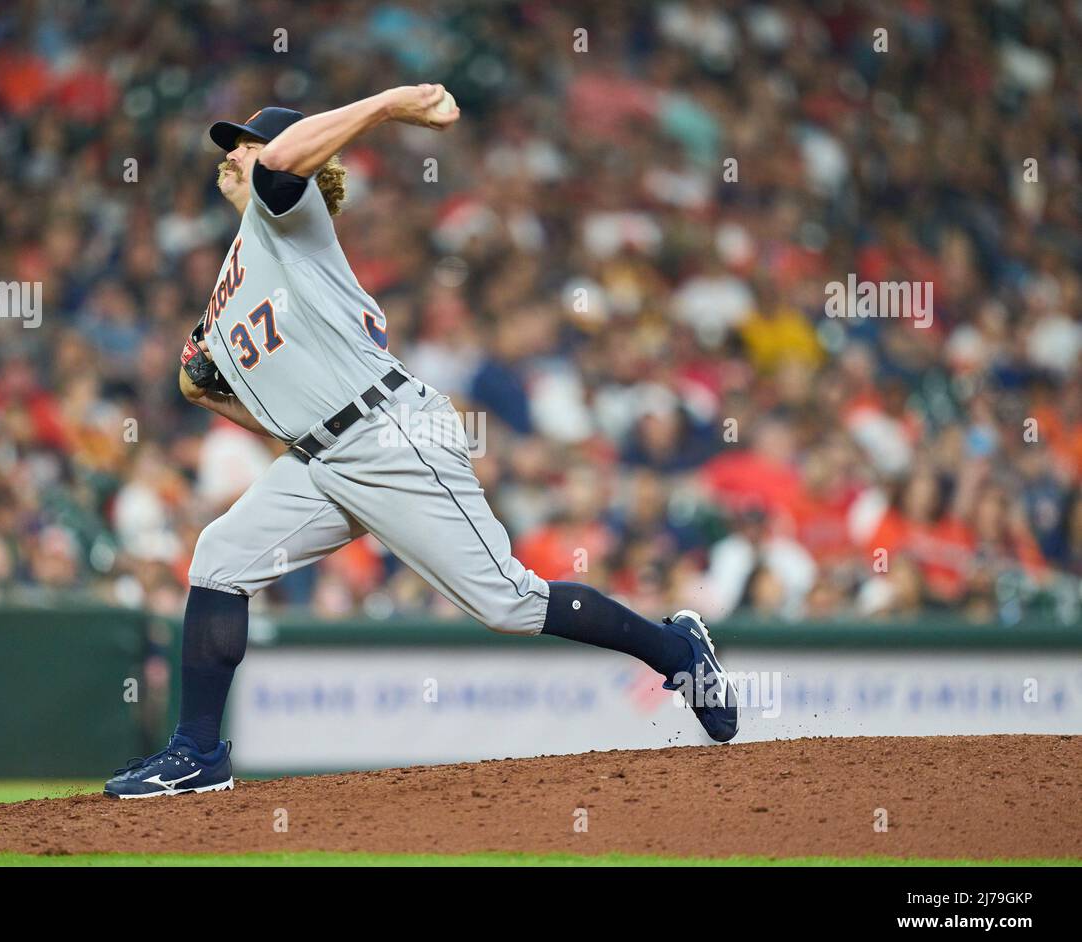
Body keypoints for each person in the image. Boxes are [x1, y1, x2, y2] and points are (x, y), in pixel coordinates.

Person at [104, 86, 738, 799]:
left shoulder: (290, 218)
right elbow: (251, 404)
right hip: (322, 455)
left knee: (508, 604)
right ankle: (197, 754)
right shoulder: (233, 279)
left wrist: (390, 104)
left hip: (391, 434)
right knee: (221, 558)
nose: (233, 154)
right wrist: (207, 390)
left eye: (244, 143)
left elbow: (283, 163)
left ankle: (678, 649)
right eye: (231, 145)